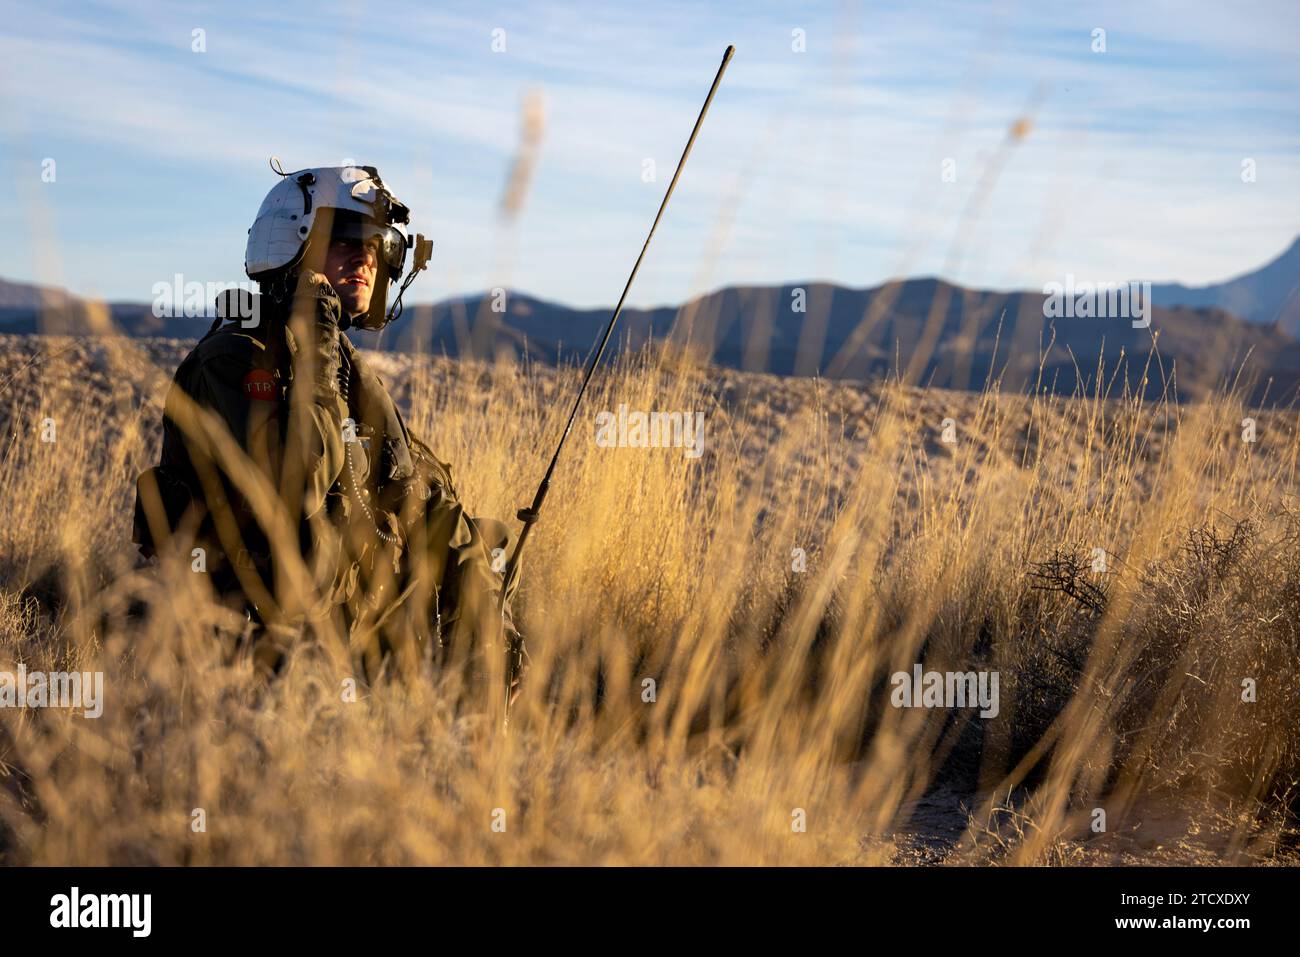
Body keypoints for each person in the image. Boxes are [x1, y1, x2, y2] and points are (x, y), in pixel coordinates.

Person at [133, 164, 523, 696]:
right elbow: (298, 487)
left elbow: (421, 493)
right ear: (291, 246)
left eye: (375, 248)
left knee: (489, 544)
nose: (364, 260)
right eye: (343, 243)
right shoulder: (232, 361)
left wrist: (485, 616)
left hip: (357, 630)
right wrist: (313, 346)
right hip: (262, 643)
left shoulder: (343, 365)